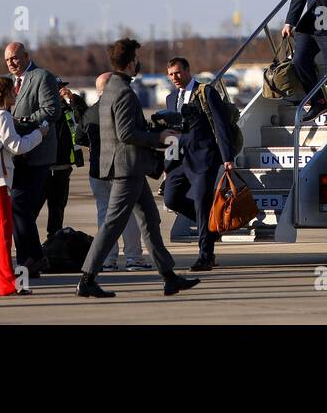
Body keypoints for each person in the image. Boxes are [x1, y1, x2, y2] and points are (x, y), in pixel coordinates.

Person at [77, 39, 200, 298]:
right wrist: (159, 137)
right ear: (131, 61)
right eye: (136, 58)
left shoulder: (112, 87)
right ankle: (87, 278)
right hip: (127, 168)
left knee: (150, 221)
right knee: (113, 224)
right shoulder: (123, 91)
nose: (138, 62)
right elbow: (126, 133)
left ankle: (169, 277)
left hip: (128, 167)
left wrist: (153, 130)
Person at [0, 75, 47, 297]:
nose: (15, 93)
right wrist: (38, 134)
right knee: (0, 236)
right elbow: (16, 146)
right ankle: (6, 285)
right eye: (12, 91)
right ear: (4, 93)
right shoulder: (2, 116)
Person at [161, 57, 236, 271]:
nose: (174, 77)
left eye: (178, 72)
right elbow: (172, 134)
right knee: (171, 198)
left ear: (187, 71)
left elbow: (220, 125)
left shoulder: (206, 92)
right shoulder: (171, 98)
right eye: (171, 74)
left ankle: (205, 256)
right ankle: (212, 227)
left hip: (204, 158)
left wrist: (227, 157)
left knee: (201, 203)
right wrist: (167, 166)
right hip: (179, 161)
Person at [68, 74, 148, 270]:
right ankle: (133, 258)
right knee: (127, 213)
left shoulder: (90, 112)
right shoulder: (120, 107)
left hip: (97, 170)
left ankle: (108, 260)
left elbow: (79, 137)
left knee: (104, 215)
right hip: (119, 169)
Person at [3, 41, 61, 277]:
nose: (11, 63)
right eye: (7, 60)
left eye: (15, 58)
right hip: (16, 153)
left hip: (37, 153)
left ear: (26, 56)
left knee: (20, 205)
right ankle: (31, 260)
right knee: (21, 208)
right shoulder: (9, 82)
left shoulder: (42, 77)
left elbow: (52, 110)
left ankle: (32, 258)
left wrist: (23, 122)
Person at [43, 79, 83, 241]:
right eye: (57, 88)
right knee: (33, 206)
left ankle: (54, 239)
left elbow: (84, 117)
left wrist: (72, 99)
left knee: (58, 206)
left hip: (63, 166)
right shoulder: (42, 109)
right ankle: (26, 241)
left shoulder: (67, 108)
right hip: (43, 166)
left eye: (61, 88)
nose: (61, 91)